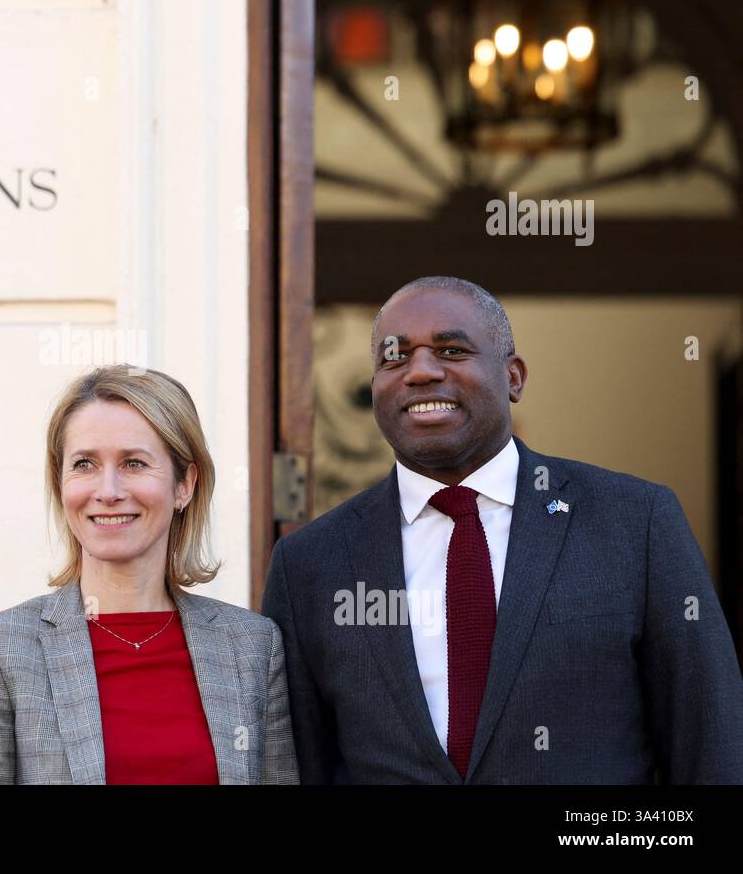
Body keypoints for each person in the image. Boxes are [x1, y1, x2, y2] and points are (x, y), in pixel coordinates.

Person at [262, 275, 743, 783]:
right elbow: (297, 767)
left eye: (450, 349)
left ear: (513, 377)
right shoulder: (309, 564)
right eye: (394, 357)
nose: (420, 371)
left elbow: (710, 741)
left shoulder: (635, 521)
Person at [0, 364, 298, 784]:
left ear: (184, 485)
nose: (107, 491)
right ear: (60, 484)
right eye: (85, 463)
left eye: (134, 463)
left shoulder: (253, 648)